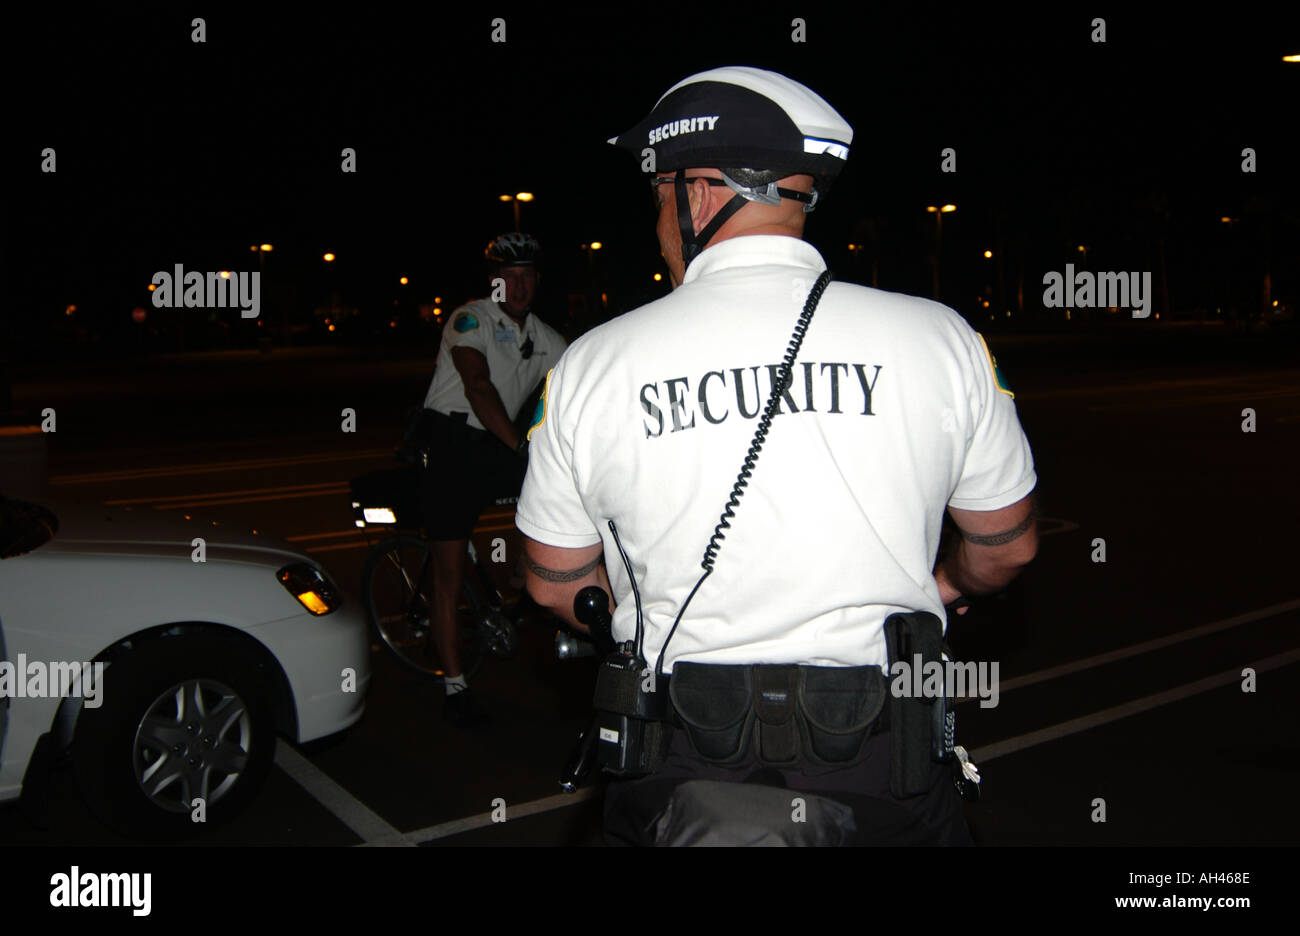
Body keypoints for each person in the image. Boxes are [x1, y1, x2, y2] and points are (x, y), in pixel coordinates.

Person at [515, 67, 1037, 844]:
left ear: (696, 195)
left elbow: (556, 585)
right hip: (880, 767)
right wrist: (948, 580)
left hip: (681, 766)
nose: (657, 221)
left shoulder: (592, 364)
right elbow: (1007, 547)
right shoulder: (941, 336)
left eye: (658, 196)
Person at [419, 232, 566, 726]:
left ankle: (526, 579)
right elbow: (478, 387)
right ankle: (454, 683)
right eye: (509, 277)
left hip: (499, 441)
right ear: (494, 282)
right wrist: (521, 447)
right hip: (453, 443)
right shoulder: (471, 319)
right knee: (450, 573)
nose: (519, 286)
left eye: (527, 276)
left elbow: (576, 386)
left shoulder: (546, 338)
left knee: (559, 490)